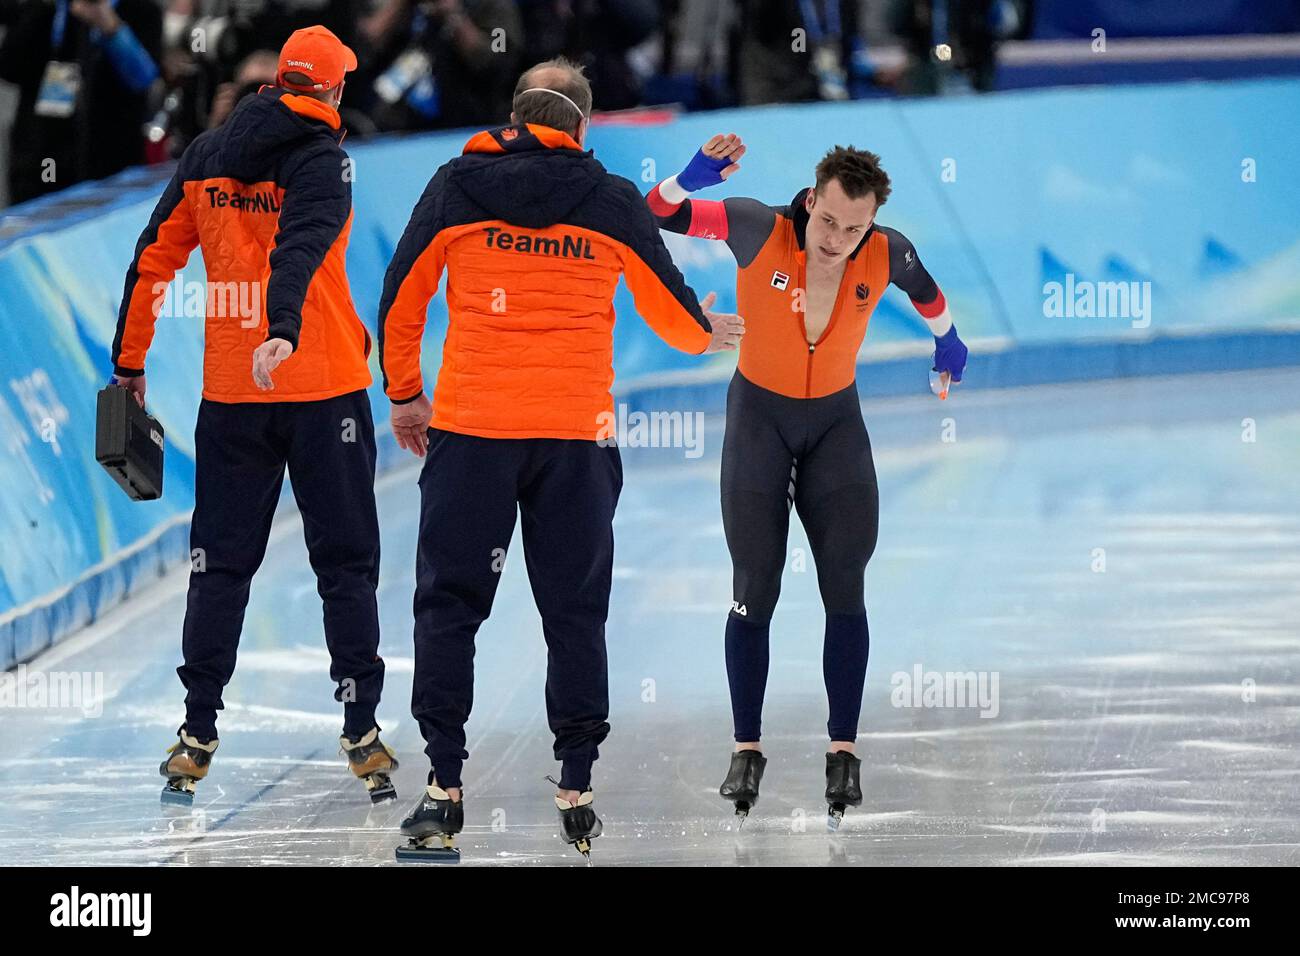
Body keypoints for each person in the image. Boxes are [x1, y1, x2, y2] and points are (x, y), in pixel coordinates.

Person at [378, 57, 744, 862]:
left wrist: (405, 395)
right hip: (576, 435)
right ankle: (576, 786)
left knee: (448, 609)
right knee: (574, 613)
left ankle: (442, 790)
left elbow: (401, 297)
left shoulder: (453, 186)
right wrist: (706, 329)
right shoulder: (609, 201)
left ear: (516, 115)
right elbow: (673, 312)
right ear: (583, 125)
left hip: (472, 430)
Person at [109, 25, 398, 805]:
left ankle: (197, 728)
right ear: (333, 90)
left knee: (220, 567)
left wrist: (128, 364)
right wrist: (284, 329)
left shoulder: (206, 157)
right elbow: (300, 247)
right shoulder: (326, 161)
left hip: (233, 397)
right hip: (325, 387)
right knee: (345, 564)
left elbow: (151, 262)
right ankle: (361, 727)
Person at [647, 135, 968, 827]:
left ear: (872, 223)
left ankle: (843, 752)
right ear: (810, 197)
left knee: (844, 585)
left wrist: (948, 340)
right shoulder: (756, 225)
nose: (836, 241)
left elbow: (926, 288)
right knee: (754, 586)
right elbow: (657, 215)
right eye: (828, 221)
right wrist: (689, 178)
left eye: (854, 229)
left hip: (835, 427)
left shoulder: (885, 250)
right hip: (758, 420)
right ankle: (746, 747)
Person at [0, 0, 162, 204]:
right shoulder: (47, 8)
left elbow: (144, 79)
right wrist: (42, 12)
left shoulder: (140, 10)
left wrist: (112, 30)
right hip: (40, 159)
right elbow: (9, 68)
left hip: (109, 162)